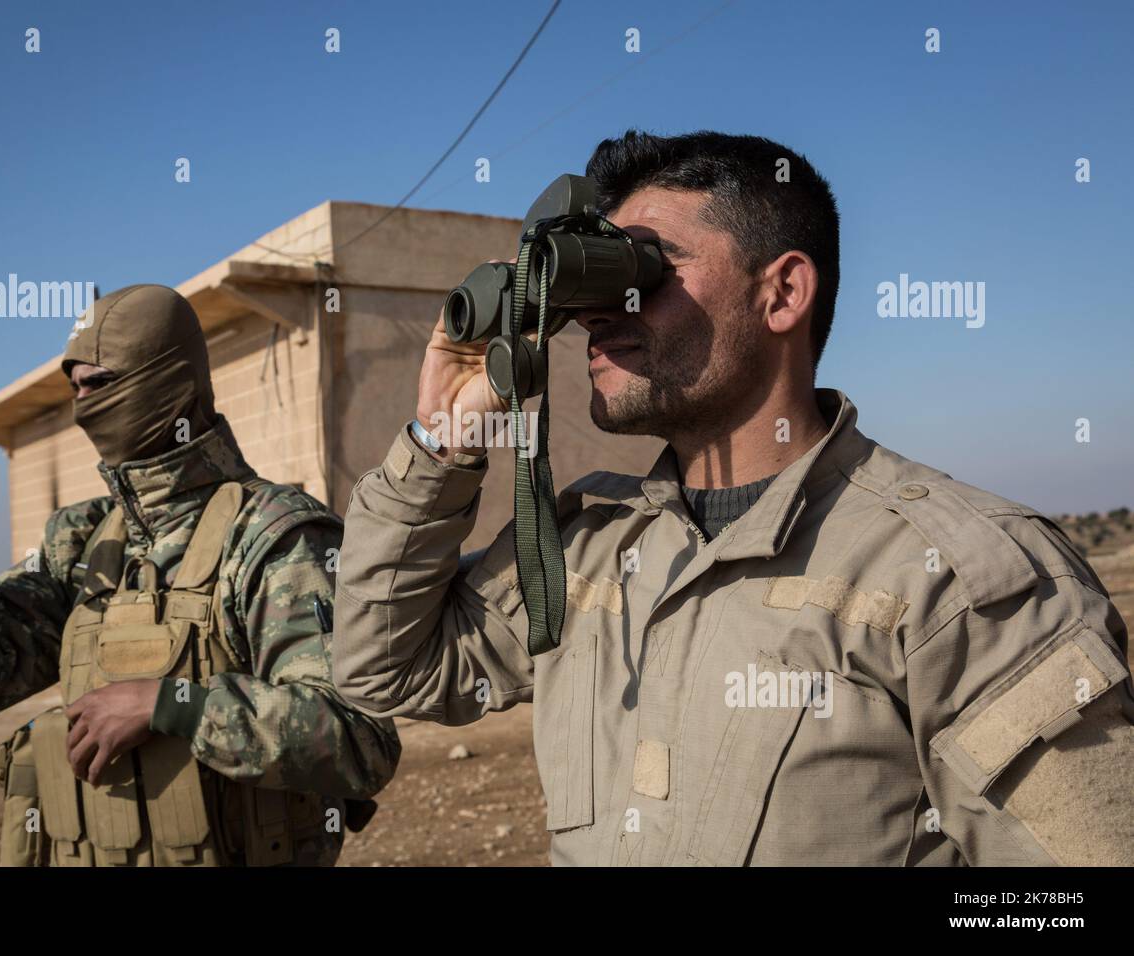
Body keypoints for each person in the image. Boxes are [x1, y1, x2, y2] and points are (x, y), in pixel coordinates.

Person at [331, 130, 1134, 866]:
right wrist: (443, 441)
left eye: (644, 268)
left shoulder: (957, 581)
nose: (597, 311)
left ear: (782, 293)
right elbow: (383, 673)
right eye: (597, 274)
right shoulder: (586, 548)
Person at [0, 283, 400, 866]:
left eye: (101, 383)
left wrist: (175, 705)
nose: (83, 406)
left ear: (169, 382)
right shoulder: (84, 542)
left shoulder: (275, 536)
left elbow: (360, 740)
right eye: (75, 387)